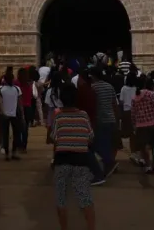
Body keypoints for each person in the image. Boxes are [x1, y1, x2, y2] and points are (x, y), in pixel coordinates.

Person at [51, 83, 97, 230]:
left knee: (61, 199)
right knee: (85, 198)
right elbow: (90, 137)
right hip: (81, 161)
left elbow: (54, 138)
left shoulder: (58, 117)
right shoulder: (84, 115)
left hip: (62, 160)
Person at [91, 67, 120, 176]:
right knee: (107, 143)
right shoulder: (109, 86)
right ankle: (108, 163)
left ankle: (109, 162)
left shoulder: (93, 87)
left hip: (100, 119)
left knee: (97, 144)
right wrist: (117, 118)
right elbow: (114, 103)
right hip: (110, 118)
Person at [131, 77, 154, 171]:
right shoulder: (153, 94)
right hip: (153, 123)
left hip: (140, 124)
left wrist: (134, 124)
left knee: (143, 146)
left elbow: (133, 113)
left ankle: (148, 165)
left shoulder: (135, 96)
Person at [0, 73, 23, 161]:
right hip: (15, 114)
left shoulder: (1, 89)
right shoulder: (17, 89)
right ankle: (13, 153)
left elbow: (0, 102)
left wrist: (3, 112)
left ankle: (7, 154)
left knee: (5, 134)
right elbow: (20, 103)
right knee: (16, 134)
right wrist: (22, 113)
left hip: (5, 114)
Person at [15, 68, 34, 152]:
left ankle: (19, 144)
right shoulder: (29, 84)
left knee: (18, 127)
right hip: (28, 107)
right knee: (25, 128)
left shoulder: (16, 83)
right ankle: (24, 145)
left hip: (18, 106)